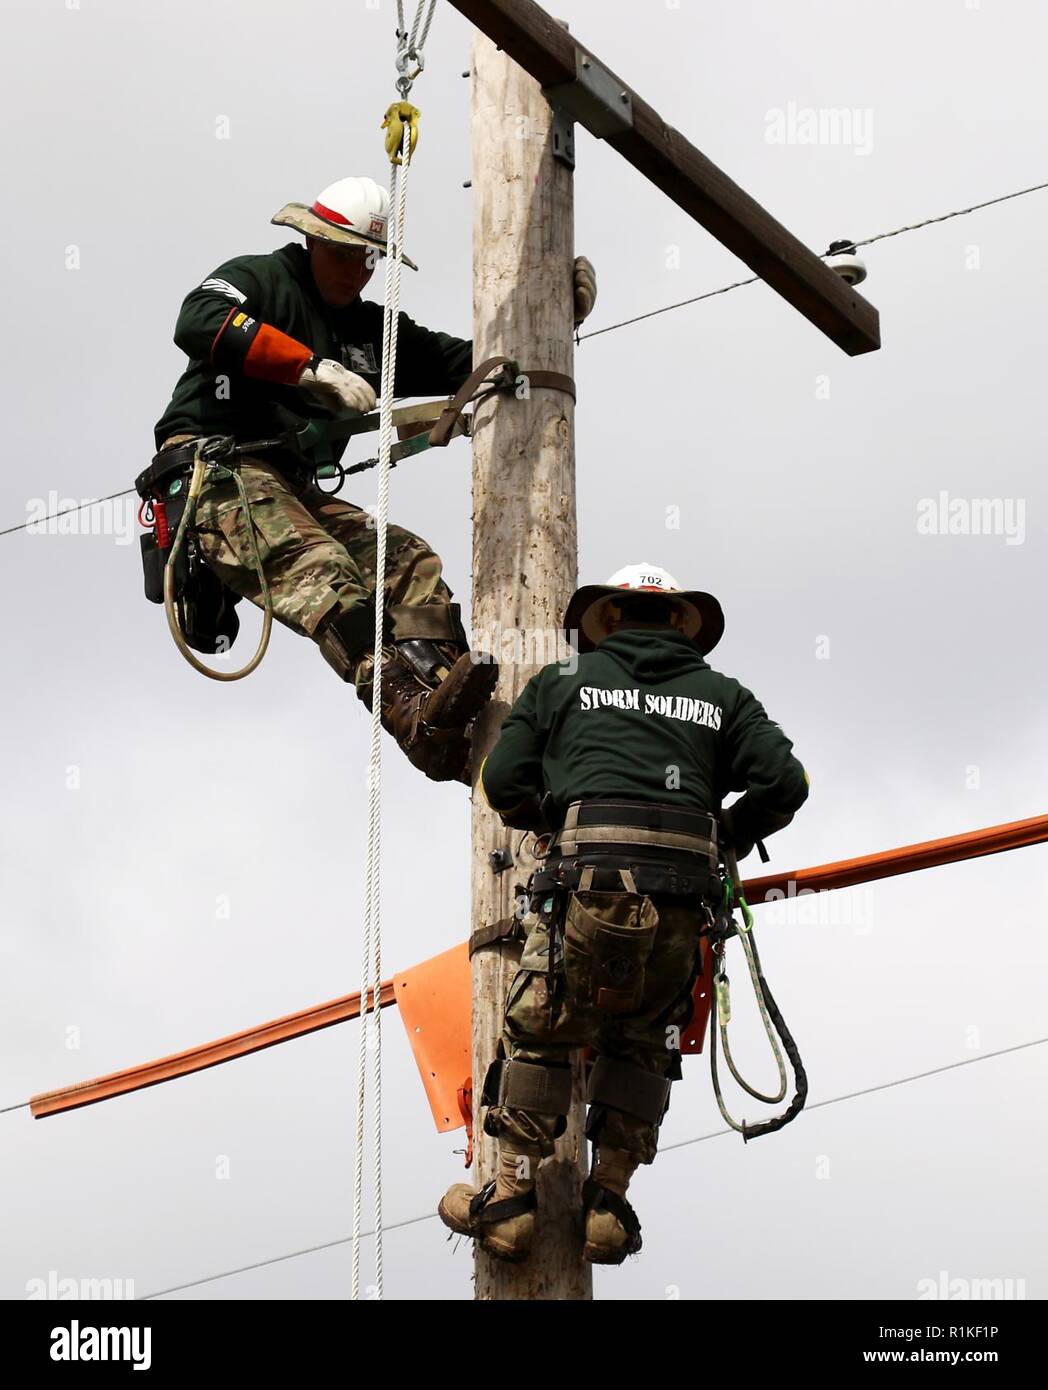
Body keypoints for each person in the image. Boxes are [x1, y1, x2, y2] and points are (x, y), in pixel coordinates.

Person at [148, 175, 598, 782]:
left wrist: (552, 315)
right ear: (312, 241)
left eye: (366, 259)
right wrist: (306, 369)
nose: (355, 271)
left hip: (293, 489)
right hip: (219, 473)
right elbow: (197, 321)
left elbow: (473, 360)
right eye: (341, 253)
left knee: (410, 562)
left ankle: (446, 707)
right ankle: (402, 705)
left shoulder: (374, 331)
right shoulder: (262, 279)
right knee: (325, 572)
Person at [438, 563, 809, 1261]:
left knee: (542, 1029)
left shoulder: (563, 685)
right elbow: (786, 783)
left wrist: (549, 815)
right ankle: (607, 1202)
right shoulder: (722, 697)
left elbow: (501, 781)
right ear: (680, 626)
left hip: (586, 890)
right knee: (643, 1042)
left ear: (605, 622)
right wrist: (727, 832)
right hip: (679, 908)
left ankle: (512, 1199)